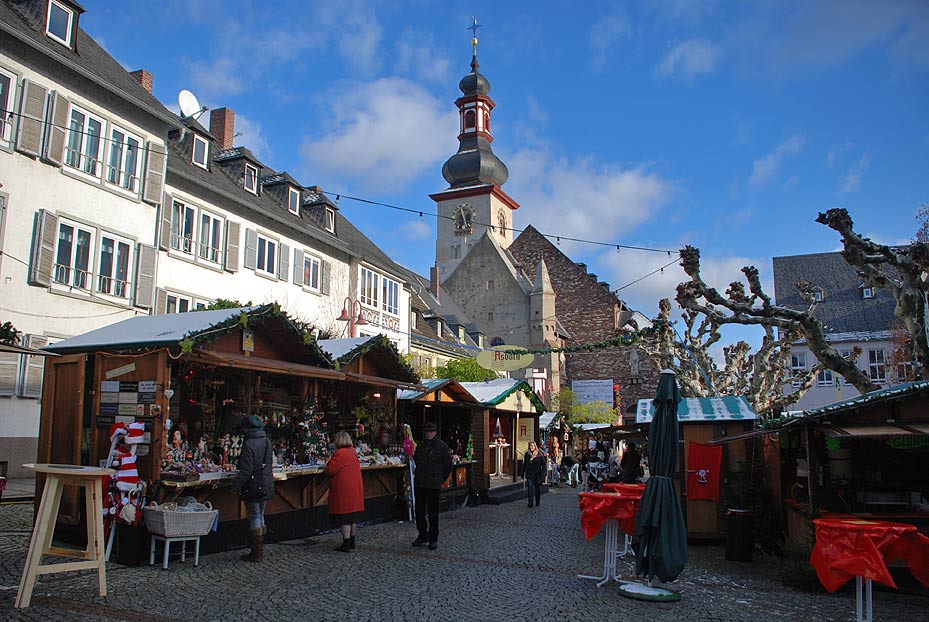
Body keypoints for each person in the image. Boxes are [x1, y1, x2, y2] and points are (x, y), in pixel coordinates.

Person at [230, 415, 274, 562]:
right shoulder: (267, 441)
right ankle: (259, 549)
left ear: (246, 429)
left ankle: (256, 552)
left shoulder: (249, 444)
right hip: (266, 483)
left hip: (253, 485)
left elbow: (246, 470)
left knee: (254, 516)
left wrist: (235, 487)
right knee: (260, 515)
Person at [411, 421, 452, 550]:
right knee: (419, 511)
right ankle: (422, 535)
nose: (429, 434)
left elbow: (448, 466)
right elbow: (416, 460)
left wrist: (439, 480)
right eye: (427, 432)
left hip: (433, 484)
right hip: (420, 483)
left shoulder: (442, 446)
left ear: (435, 432)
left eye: (431, 432)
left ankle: (433, 538)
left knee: (433, 513)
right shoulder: (421, 445)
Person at [325, 431, 364, 553]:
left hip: (344, 489)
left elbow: (330, 470)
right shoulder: (353, 452)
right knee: (352, 517)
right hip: (354, 487)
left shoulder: (340, 453)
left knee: (345, 516)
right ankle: (352, 541)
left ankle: (346, 542)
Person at [523, 441, 545, 507]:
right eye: (530, 446)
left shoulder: (539, 454)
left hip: (537, 474)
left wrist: (544, 472)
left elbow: (543, 464)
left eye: (532, 446)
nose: (531, 447)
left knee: (537, 489)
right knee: (530, 488)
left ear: (535, 446)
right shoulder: (527, 454)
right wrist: (523, 473)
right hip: (529, 473)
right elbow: (525, 464)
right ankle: (530, 502)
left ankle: (537, 502)